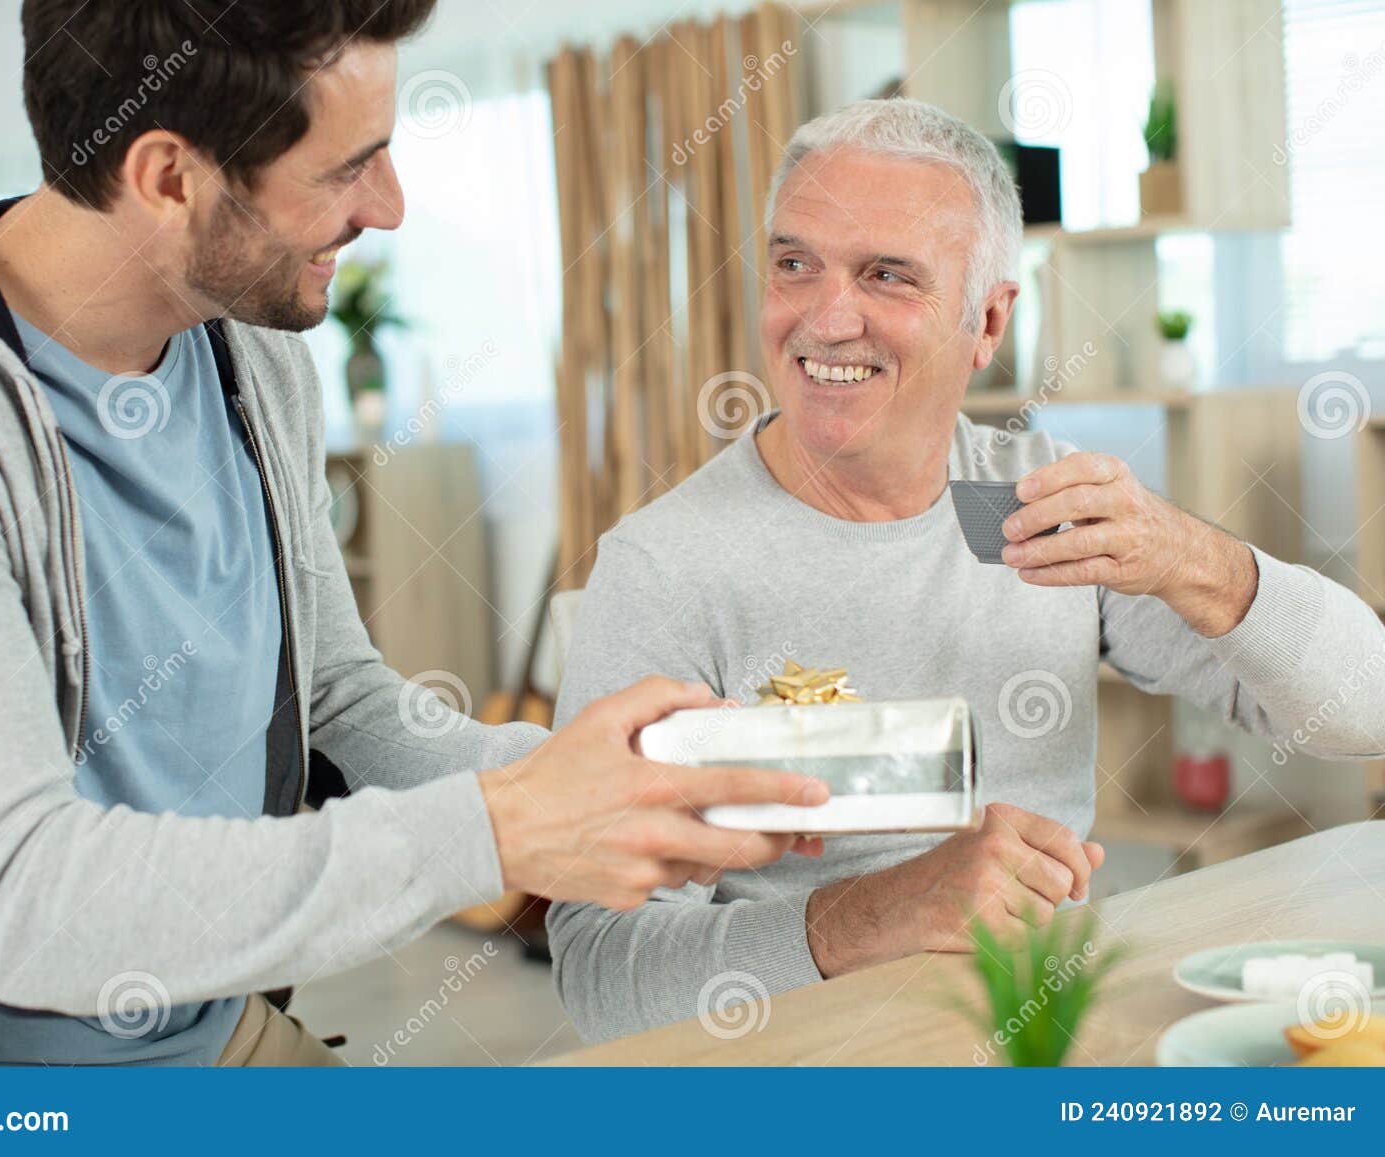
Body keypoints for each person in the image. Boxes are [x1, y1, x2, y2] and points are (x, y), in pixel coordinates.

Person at [0, 0, 827, 1067]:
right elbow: (18, 902)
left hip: (206, 1029)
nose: (390, 206)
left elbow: (338, 701)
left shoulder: (249, 353)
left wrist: (627, 776)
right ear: (169, 176)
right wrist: (501, 828)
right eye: (346, 168)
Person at [547, 98, 1385, 1044]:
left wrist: (1196, 559)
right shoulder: (667, 566)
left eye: (886, 275)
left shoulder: (1029, 506)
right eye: (795, 264)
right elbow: (598, 973)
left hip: (1037, 1038)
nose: (826, 317)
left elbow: (1367, 713)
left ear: (986, 322)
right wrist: (872, 913)